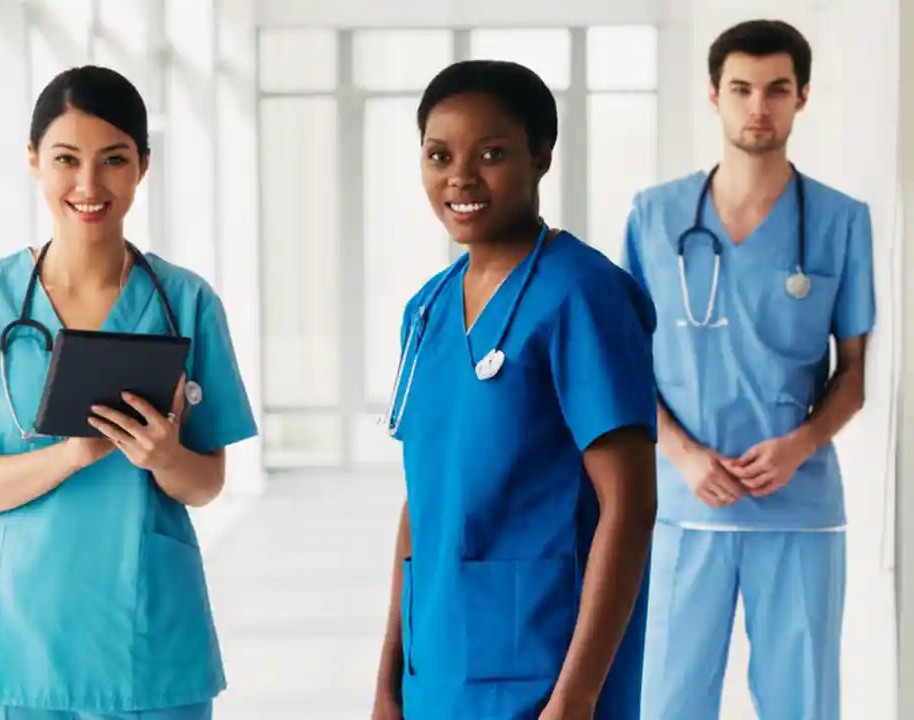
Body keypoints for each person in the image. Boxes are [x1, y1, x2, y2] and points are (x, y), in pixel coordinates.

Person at [0, 65, 257, 720]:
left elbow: (206, 483)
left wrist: (163, 456)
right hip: (18, 646)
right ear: (33, 160)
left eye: (114, 160)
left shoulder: (185, 302)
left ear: (143, 166)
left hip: (147, 639)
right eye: (66, 159)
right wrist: (71, 454)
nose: (89, 185)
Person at [371, 59, 659, 720]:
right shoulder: (428, 310)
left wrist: (577, 697)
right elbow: (425, 502)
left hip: (546, 669)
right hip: (436, 670)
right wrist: (389, 679)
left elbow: (631, 503)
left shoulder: (582, 295)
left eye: (491, 154)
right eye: (439, 155)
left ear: (541, 157)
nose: (461, 178)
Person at [623, 20, 874, 720]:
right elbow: (624, 359)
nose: (757, 106)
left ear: (802, 98)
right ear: (714, 96)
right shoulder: (654, 216)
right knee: (670, 702)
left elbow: (854, 371)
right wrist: (679, 452)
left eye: (776, 89)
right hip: (685, 506)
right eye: (741, 89)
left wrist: (799, 446)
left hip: (799, 511)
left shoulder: (840, 221)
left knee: (803, 705)